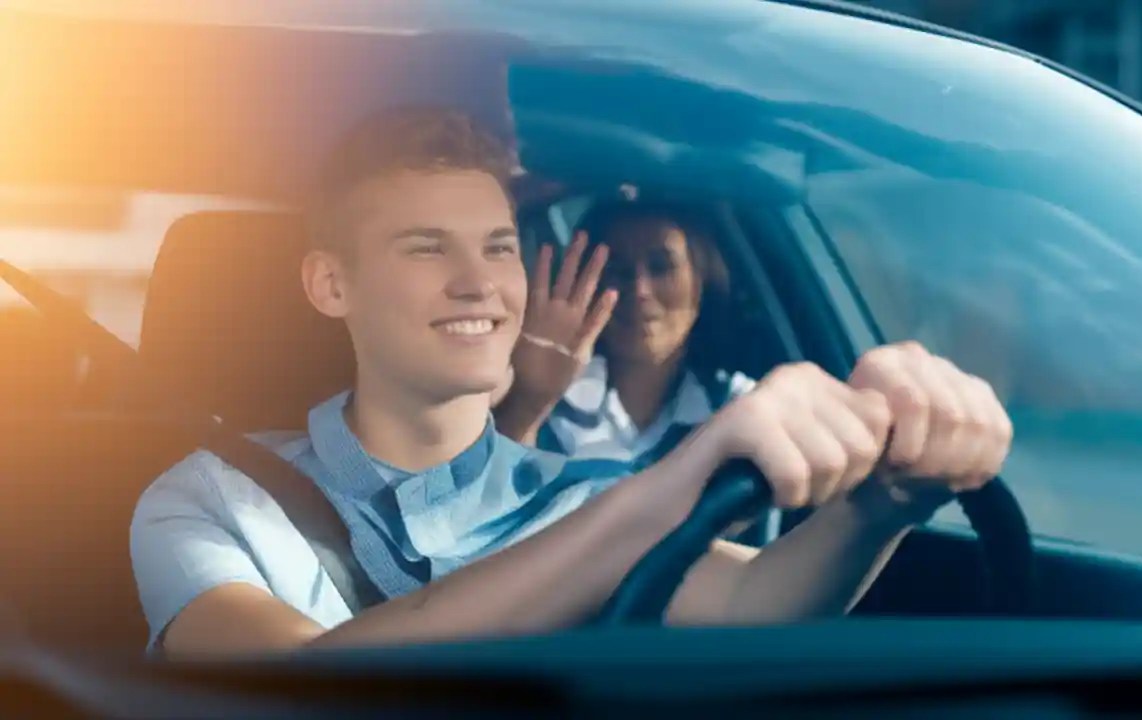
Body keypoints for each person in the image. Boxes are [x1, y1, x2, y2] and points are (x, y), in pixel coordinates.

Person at [130, 107, 1013, 658]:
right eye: (426, 247)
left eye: (501, 247)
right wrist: (656, 498)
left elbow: (756, 598)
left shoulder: (583, 495)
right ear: (331, 286)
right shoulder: (210, 500)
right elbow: (300, 686)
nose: (480, 283)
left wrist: (881, 509)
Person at [492, 200, 778, 542]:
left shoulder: (734, 406)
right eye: (618, 270)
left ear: (702, 280)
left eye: (660, 267)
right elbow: (480, 528)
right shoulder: (542, 394)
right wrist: (527, 403)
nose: (639, 290)